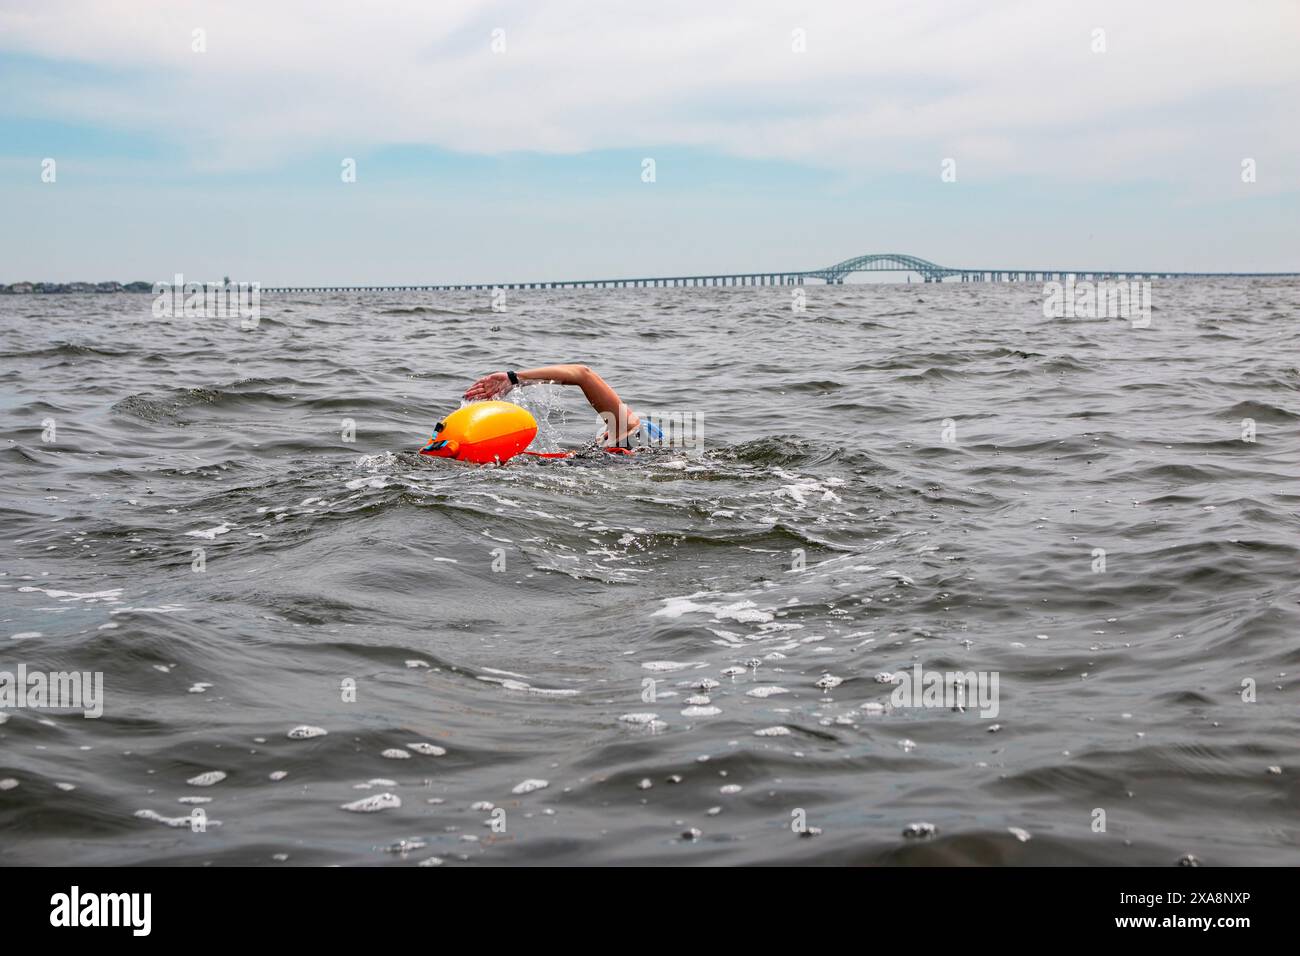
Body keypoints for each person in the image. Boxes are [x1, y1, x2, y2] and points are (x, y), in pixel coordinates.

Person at [463, 365, 661, 449]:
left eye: (606, 432)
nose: (602, 434)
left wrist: (515, 378)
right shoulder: (625, 453)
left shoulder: (630, 434)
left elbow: (583, 374)